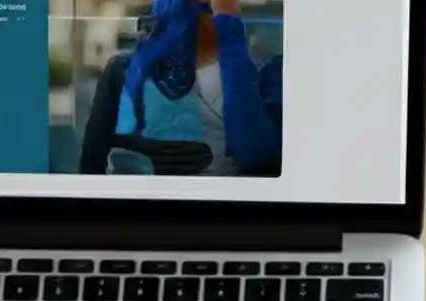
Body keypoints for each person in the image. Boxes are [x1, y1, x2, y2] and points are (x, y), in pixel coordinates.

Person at [79, 0, 283, 177]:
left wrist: (229, 30)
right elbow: (91, 162)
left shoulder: (262, 77)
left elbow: (254, 153)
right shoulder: (126, 73)